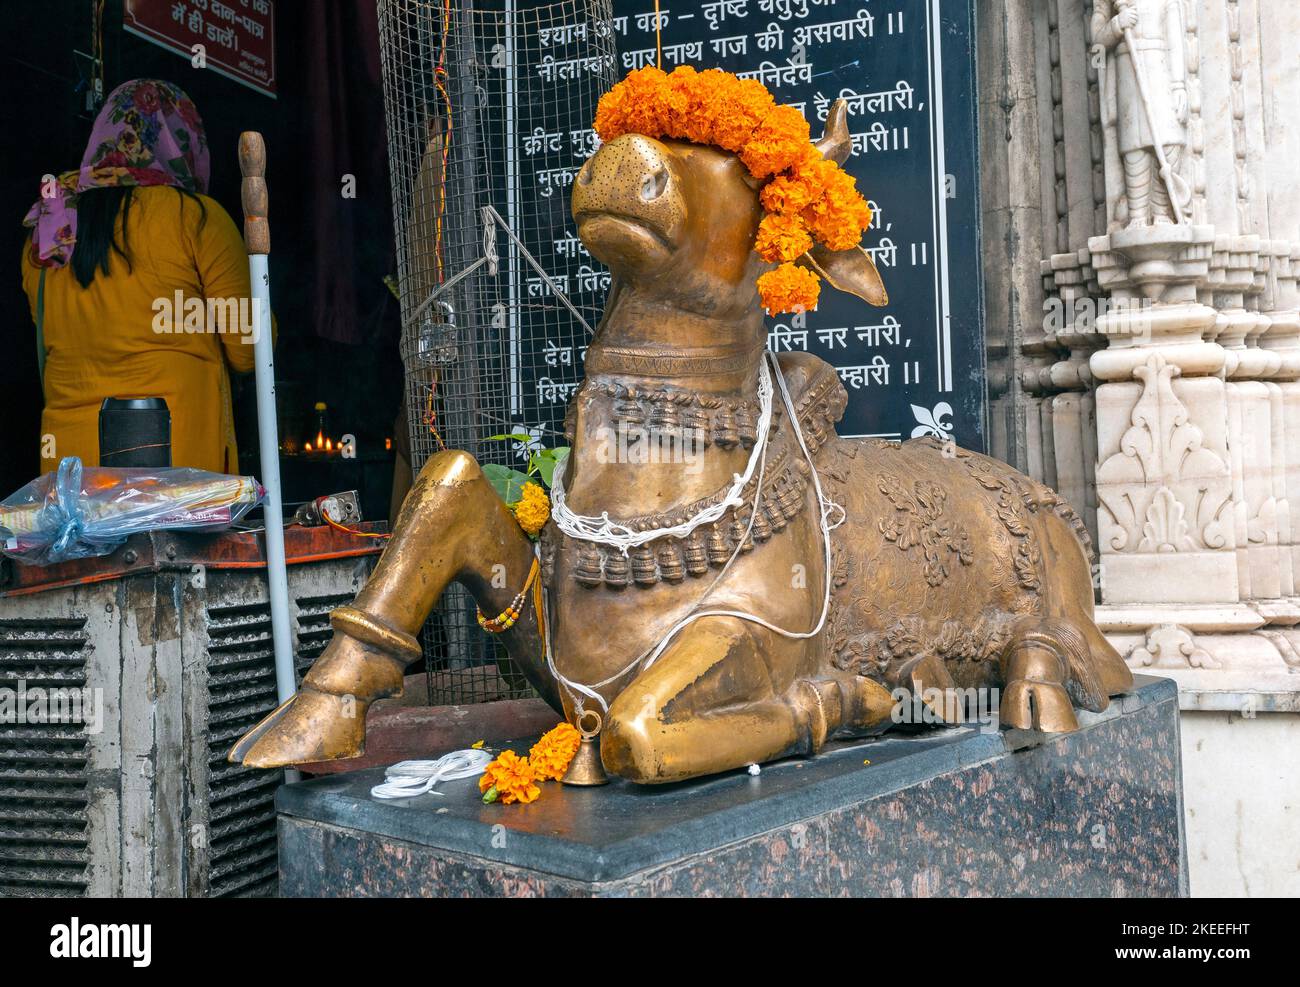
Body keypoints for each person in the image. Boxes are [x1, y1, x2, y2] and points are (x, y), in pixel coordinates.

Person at [20, 78, 261, 474]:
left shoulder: (48, 229)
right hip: (174, 474)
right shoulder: (195, 217)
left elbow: (46, 338)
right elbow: (248, 350)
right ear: (182, 142)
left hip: (68, 477)